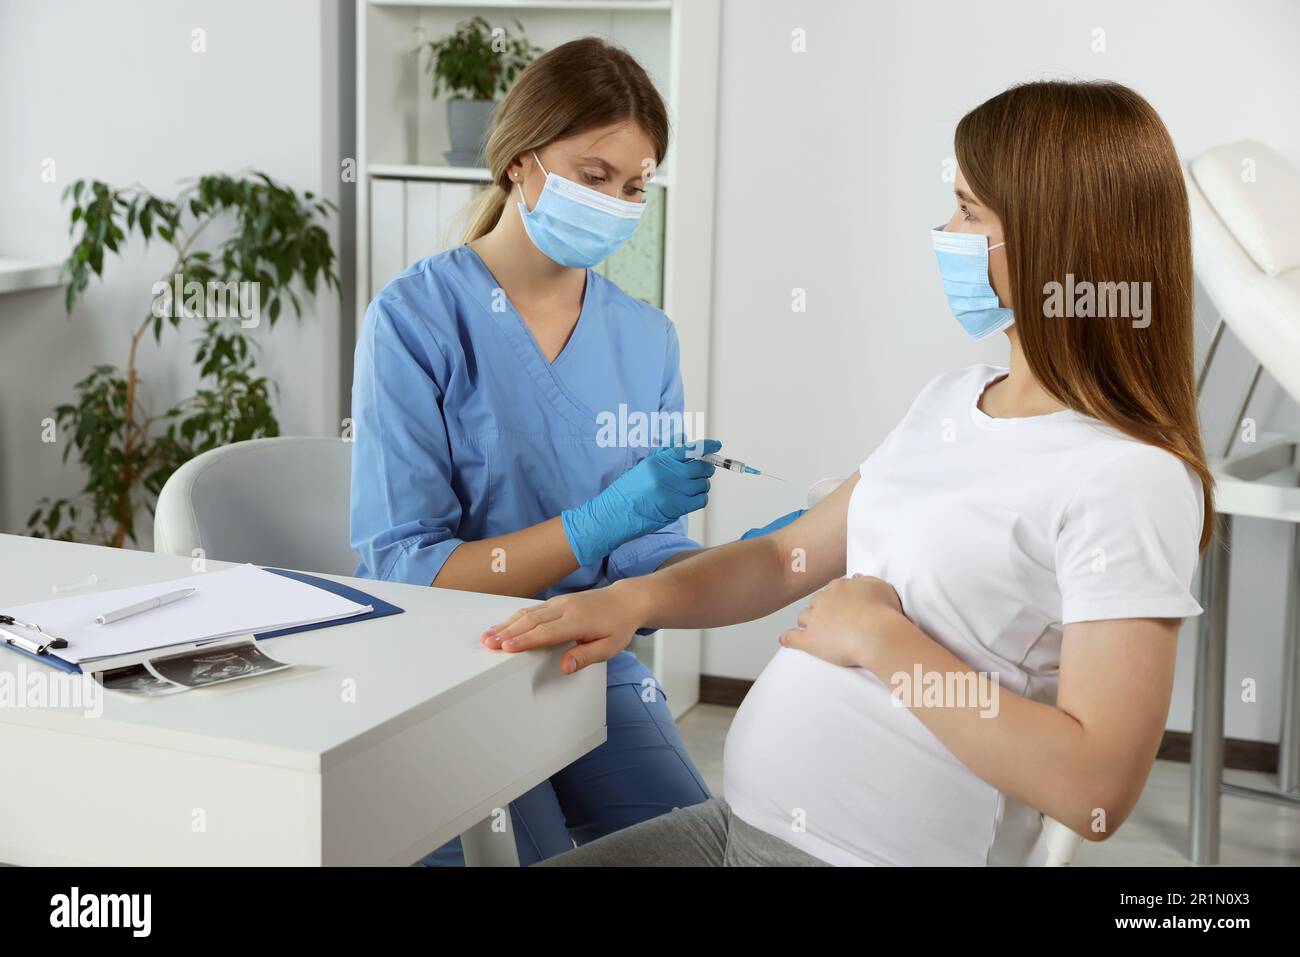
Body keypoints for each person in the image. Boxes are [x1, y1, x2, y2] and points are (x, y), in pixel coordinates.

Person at [482, 79, 1215, 866]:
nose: (945, 229)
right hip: (739, 829)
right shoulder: (954, 401)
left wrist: (881, 639)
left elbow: (1095, 789)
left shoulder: (1129, 478)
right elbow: (780, 558)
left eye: (969, 211)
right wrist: (631, 600)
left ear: (1055, 240)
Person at [350, 38, 719, 865]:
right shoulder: (415, 320)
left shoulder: (646, 337)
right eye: (595, 176)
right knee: (531, 854)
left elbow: (650, 552)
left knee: (700, 846)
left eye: (636, 186)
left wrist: (747, 555)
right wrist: (595, 524)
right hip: (446, 673)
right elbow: (405, 569)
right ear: (520, 162)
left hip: (588, 662)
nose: (620, 204)